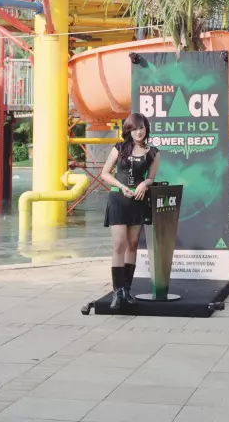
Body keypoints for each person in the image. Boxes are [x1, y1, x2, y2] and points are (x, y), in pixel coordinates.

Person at [101, 112, 160, 309]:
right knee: (119, 244)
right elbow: (105, 173)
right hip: (119, 198)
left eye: (141, 128)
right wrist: (121, 186)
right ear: (129, 130)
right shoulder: (120, 148)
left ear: (146, 128)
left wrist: (145, 184)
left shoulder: (153, 152)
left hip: (138, 201)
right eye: (134, 129)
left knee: (133, 244)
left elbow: (151, 177)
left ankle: (127, 291)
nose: (138, 132)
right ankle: (117, 293)